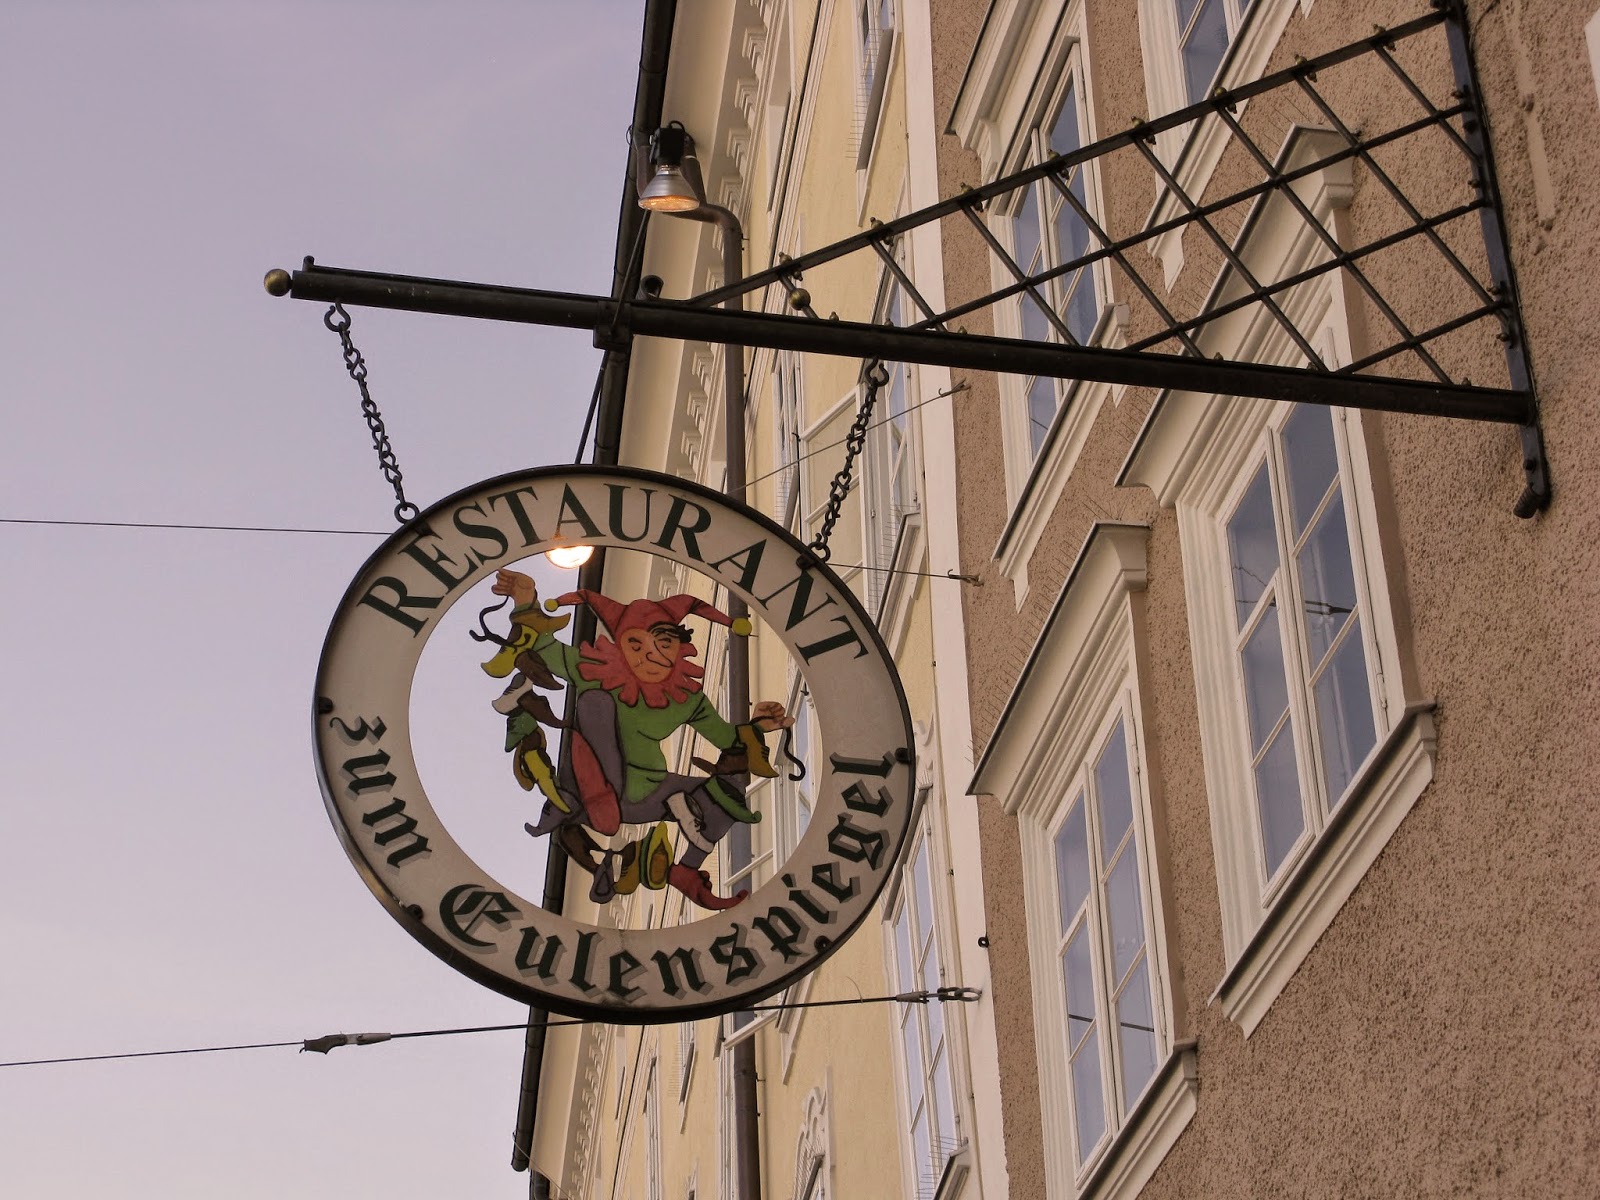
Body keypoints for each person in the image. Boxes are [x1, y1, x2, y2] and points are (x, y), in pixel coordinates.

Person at [484, 568, 793, 911]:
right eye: (636, 643)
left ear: (679, 645)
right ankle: (599, 794)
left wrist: (759, 724)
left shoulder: (687, 699)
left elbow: (727, 740)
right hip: (590, 786)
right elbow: (545, 647)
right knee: (594, 700)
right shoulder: (595, 670)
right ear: (619, 645)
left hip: (648, 791)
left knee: (730, 797)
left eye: (665, 642)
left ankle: (686, 871)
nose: (652, 655)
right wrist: (526, 600)